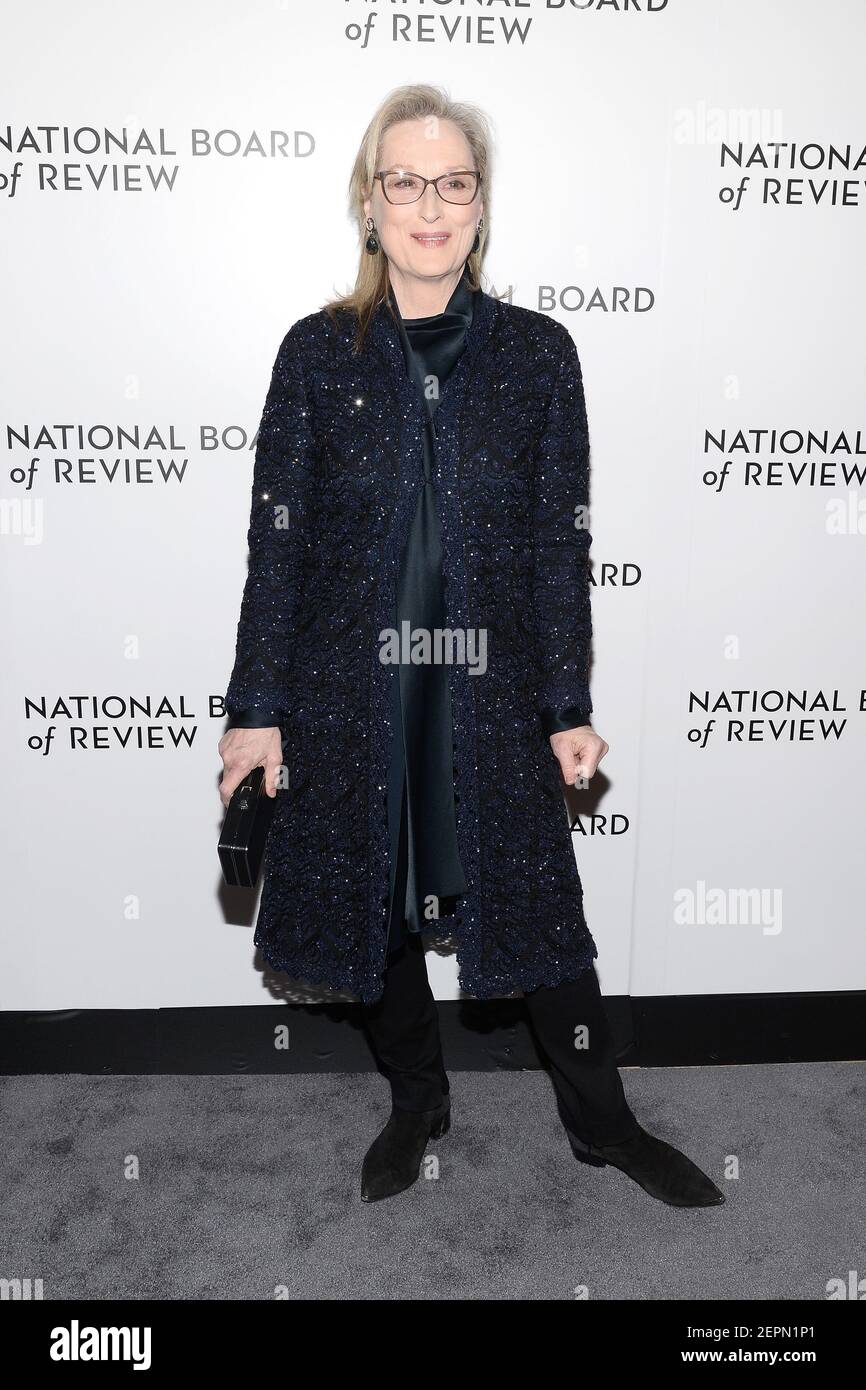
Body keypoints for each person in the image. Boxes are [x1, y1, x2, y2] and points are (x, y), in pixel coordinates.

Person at [218, 84, 725, 1211]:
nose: (429, 205)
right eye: (404, 181)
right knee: (378, 907)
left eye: (453, 183)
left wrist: (565, 703)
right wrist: (256, 706)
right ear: (368, 203)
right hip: (351, 693)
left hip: (487, 694)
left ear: (480, 206)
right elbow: (277, 549)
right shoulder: (315, 355)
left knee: (538, 914)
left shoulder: (539, 356)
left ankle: (603, 1124)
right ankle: (417, 1097)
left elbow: (557, 551)